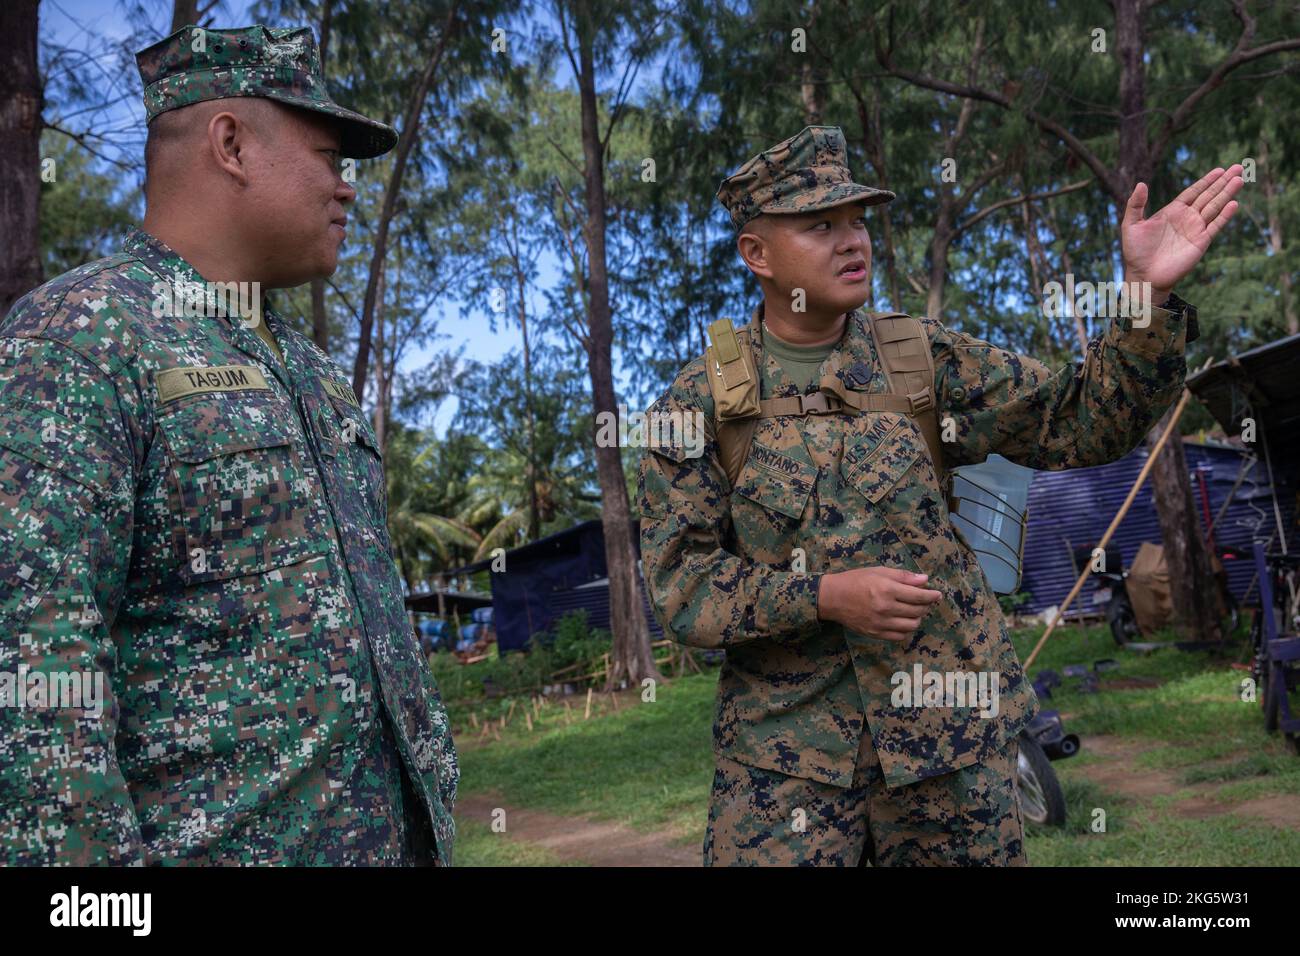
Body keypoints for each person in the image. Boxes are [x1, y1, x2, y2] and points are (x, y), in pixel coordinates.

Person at [638, 125, 1241, 866]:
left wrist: (1146, 296)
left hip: (949, 753)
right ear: (757, 254)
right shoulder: (699, 401)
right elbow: (682, 587)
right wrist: (825, 595)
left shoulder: (921, 357)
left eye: (858, 219)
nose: (851, 240)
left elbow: (1081, 422)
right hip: (785, 770)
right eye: (820, 224)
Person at [0, 24, 456, 865]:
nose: (348, 189)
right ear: (232, 143)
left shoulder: (313, 372)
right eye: (328, 155)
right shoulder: (81, 339)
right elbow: (33, 698)